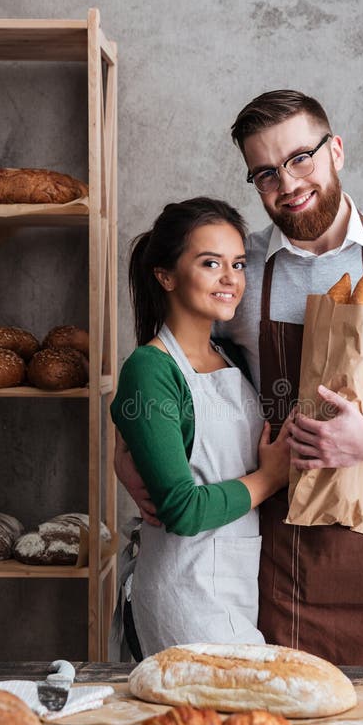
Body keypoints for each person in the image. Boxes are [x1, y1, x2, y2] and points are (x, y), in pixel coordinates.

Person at [115, 92, 363, 667]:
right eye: (265, 173)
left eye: (300, 159)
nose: (287, 184)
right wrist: (128, 453)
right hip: (275, 563)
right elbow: (175, 378)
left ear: (335, 149)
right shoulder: (240, 273)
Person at [110, 197, 290, 658]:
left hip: (232, 589)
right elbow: (182, 511)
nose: (231, 278)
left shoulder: (226, 356)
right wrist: (271, 477)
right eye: (211, 263)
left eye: (238, 264)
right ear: (165, 275)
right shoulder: (151, 368)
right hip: (184, 596)